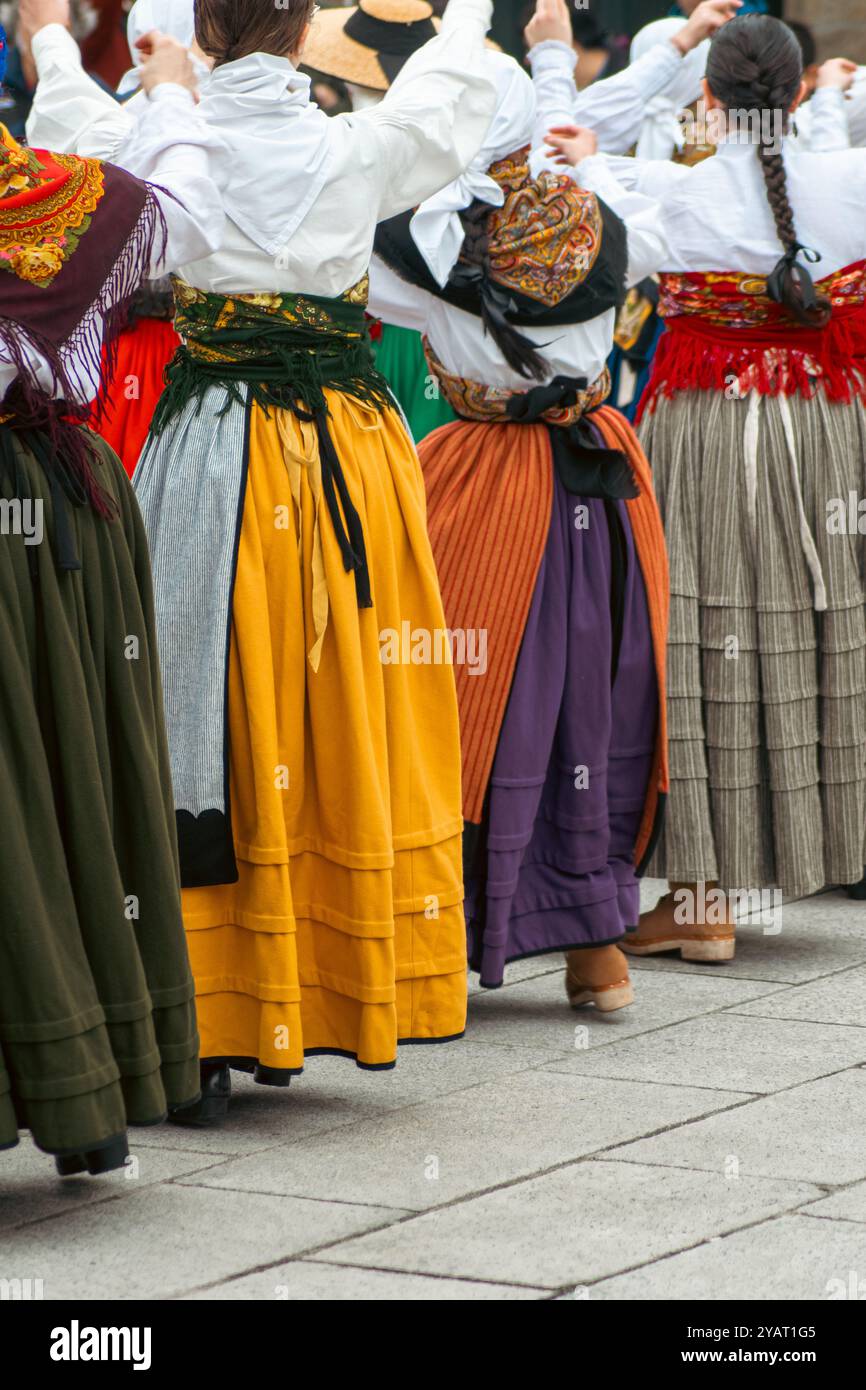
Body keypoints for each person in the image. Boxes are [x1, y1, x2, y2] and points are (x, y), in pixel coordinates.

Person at [78, 0, 493, 1118]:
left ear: (201, 34)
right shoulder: (355, 147)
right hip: (346, 453)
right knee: (336, 700)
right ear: (303, 27)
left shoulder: (171, 138)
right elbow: (452, 97)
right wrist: (480, 15)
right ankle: (334, 982)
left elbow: (79, 136)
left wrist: (51, 44)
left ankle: (209, 1002)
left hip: (210, 445)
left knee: (204, 690)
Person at [548, 13, 866, 957]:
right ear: (801, 90)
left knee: (695, 634)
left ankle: (701, 898)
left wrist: (585, 138)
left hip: (703, 423)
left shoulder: (676, 201)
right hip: (827, 425)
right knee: (808, 622)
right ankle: (803, 848)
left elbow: (598, 232)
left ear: (709, 100)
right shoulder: (850, 182)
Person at [370, 28, 671, 1010]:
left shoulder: (423, 245)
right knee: (594, 697)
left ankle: (456, 925)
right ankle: (596, 949)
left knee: (459, 700)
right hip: (598, 481)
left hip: (481, 478)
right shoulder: (605, 220)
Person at [0, 19, 226, 1173]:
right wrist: (172, 85)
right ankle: (82, 1084)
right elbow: (176, 209)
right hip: (25, 520)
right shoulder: (26, 199)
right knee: (56, 782)